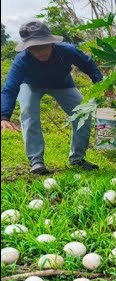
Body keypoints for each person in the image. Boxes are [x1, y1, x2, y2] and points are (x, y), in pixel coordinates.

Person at [0, 21, 105, 175]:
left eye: (44, 46)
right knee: (29, 113)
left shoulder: (68, 51)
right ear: (28, 48)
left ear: (52, 43)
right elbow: (10, 88)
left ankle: (77, 159)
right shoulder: (21, 60)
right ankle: (36, 162)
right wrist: (4, 115)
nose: (41, 52)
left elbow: (89, 65)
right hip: (31, 85)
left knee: (83, 113)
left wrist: (102, 85)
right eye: (35, 48)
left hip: (62, 84)